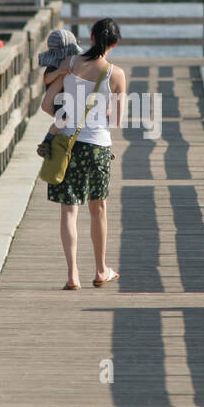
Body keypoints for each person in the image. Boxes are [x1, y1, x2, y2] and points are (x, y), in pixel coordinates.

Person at [41, 18, 127, 290]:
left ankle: (72, 275)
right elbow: (118, 120)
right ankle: (102, 270)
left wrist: (69, 114)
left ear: (90, 36)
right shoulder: (116, 74)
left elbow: (46, 104)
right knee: (98, 208)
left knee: (69, 210)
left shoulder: (72, 64)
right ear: (114, 43)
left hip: (68, 143)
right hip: (98, 147)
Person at [34, 29, 81, 160]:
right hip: (59, 100)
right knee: (63, 120)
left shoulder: (74, 63)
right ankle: (46, 142)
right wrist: (60, 72)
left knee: (65, 119)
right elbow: (46, 79)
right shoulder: (54, 66)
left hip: (67, 100)